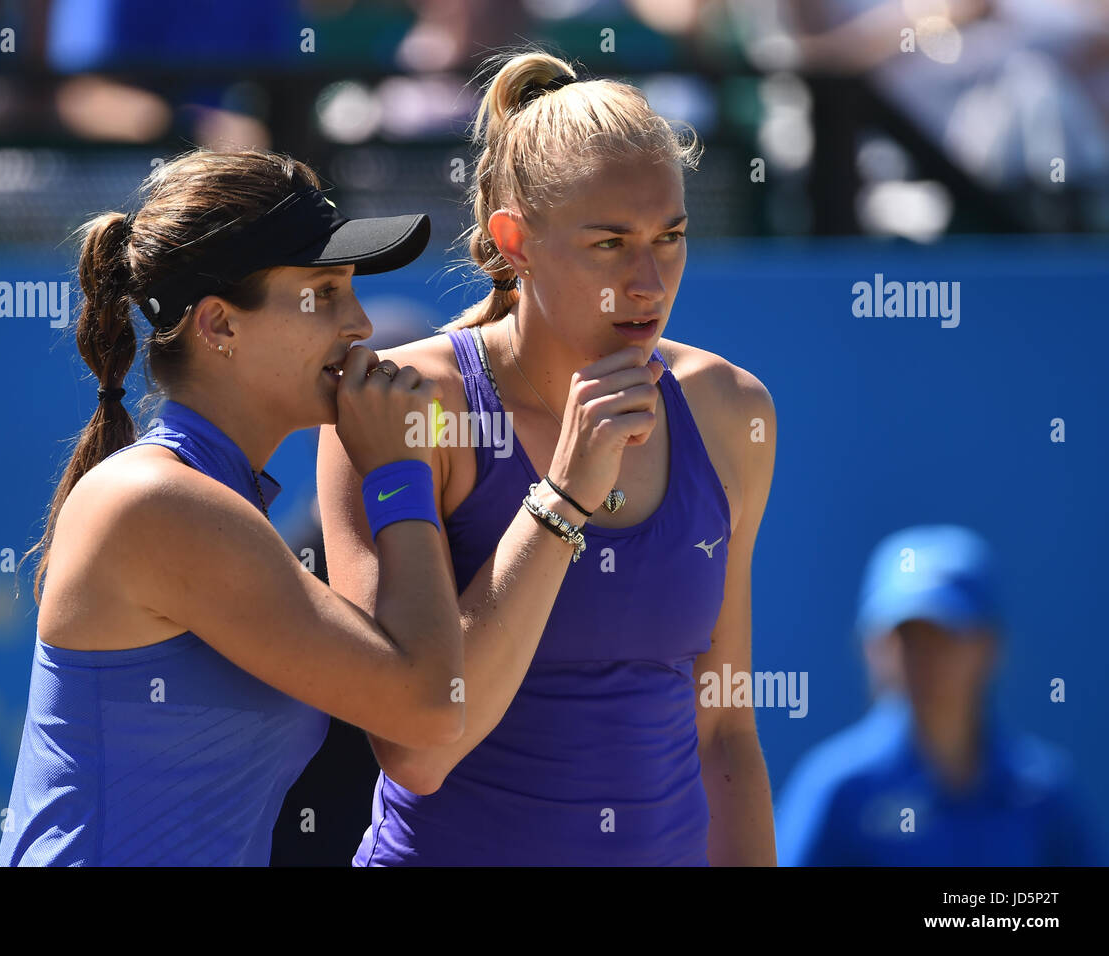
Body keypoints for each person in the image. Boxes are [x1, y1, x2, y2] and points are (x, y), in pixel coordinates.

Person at [318, 50, 778, 865]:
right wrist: (563, 497)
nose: (648, 282)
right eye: (609, 244)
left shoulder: (730, 409)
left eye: (670, 237)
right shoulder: (408, 407)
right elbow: (415, 751)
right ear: (515, 241)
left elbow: (726, 728)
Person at [0, 147, 466, 866]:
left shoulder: (210, 498)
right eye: (325, 293)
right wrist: (401, 473)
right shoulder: (160, 504)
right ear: (219, 327)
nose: (362, 325)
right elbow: (429, 711)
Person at [774, 524, 1104, 866]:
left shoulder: (1045, 794)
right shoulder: (836, 790)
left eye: (945, 636)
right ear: (873, 650)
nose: (923, 658)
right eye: (907, 638)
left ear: (989, 647)